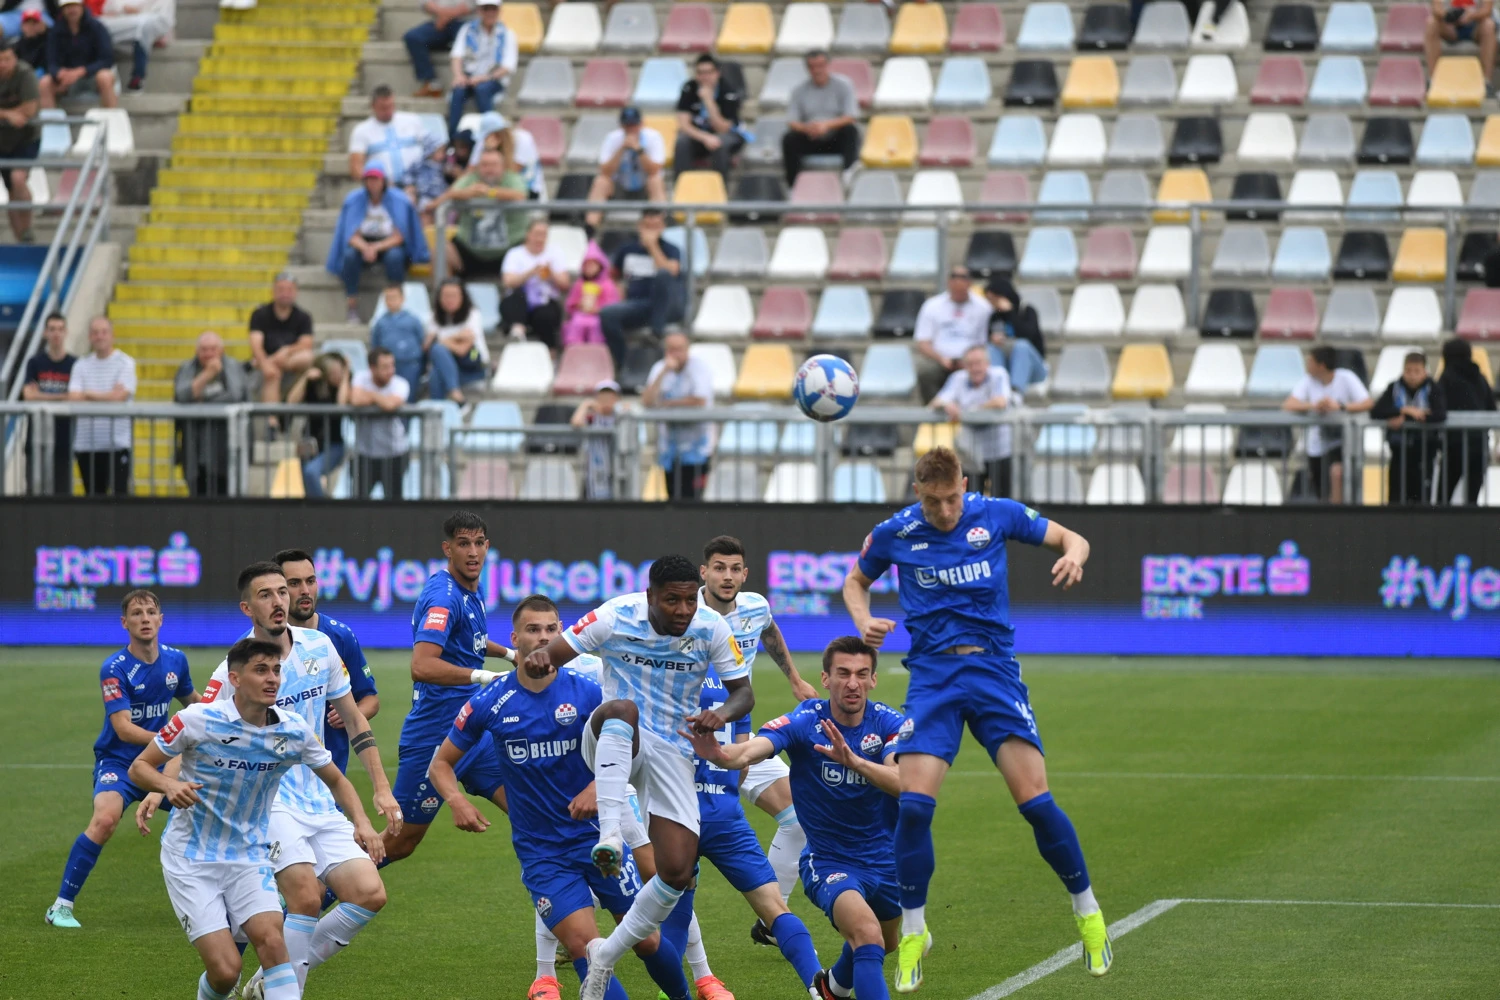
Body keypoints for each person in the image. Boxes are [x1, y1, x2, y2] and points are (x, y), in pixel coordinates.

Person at [842, 446, 1111, 989]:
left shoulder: (998, 513)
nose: (946, 510)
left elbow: (1069, 537)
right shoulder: (895, 532)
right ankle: (914, 931)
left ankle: (1088, 911)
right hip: (933, 679)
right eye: (935, 501)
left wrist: (1076, 554)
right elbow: (854, 582)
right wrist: (864, 618)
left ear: (966, 483)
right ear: (918, 492)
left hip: (993, 674)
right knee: (914, 806)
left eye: (953, 497)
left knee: (1034, 802)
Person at [429, 594, 695, 1000]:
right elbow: (440, 764)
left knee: (647, 941)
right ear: (514, 638)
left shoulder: (588, 694)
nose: (542, 638)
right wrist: (457, 800)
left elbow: (627, 745)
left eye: (551, 629)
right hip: (543, 854)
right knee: (588, 947)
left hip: (596, 840)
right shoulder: (489, 701)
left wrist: (595, 786)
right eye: (533, 630)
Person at [520, 555, 751, 1000]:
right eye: (672, 600)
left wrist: (720, 713)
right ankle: (608, 835)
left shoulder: (711, 627)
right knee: (624, 709)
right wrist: (540, 661)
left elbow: (743, 692)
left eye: (688, 599)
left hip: (675, 751)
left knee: (677, 872)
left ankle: (605, 956)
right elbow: (557, 651)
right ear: (650, 597)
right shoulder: (614, 615)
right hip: (613, 737)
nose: (683, 609)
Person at [128, 636, 383, 1000]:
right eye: (261, 670)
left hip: (249, 856)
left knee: (273, 943)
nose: (272, 679)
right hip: (191, 859)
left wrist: (360, 821)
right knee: (225, 972)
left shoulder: (292, 730)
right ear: (234, 677)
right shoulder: (196, 720)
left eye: (276, 670)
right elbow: (139, 768)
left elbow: (337, 779)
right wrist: (167, 785)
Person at [190, 562, 399, 998]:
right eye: (267, 594)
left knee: (369, 893)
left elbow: (356, 718)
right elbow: (193, 725)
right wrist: (167, 783)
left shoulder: (319, 646)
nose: (280, 600)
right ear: (248, 608)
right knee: (304, 897)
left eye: (282, 592)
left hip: (318, 798)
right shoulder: (234, 667)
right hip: (268, 800)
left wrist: (380, 787)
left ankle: (270, 981)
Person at [682, 636, 905, 1000]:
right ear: (825, 679)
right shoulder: (806, 721)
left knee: (887, 942)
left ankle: (832, 987)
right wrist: (722, 755)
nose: (853, 683)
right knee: (867, 934)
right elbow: (756, 748)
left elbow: (903, 783)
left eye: (862, 674)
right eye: (844, 673)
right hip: (830, 860)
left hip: (884, 861)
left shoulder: (889, 723)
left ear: (873, 680)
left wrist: (856, 762)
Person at [658, 652, 825, 1000]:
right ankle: (818, 987)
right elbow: (742, 760)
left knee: (672, 908)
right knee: (774, 909)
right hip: (723, 812)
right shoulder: (736, 690)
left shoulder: (660, 679)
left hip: (674, 814)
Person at [45, 590, 196, 930]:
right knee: (106, 820)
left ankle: (250, 892)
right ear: (124, 623)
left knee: (213, 809)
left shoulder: (176, 661)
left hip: (162, 762)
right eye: (137, 613)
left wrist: (223, 719)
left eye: (151, 612)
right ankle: (61, 906)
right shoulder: (114, 669)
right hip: (120, 762)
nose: (145, 618)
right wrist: (172, 739)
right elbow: (124, 729)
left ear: (161, 619)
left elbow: (195, 704)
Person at [381, 510, 515, 865]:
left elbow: (470, 640)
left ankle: (565, 899)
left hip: (471, 729)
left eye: (478, 543)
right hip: (434, 734)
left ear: (487, 546)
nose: (472, 552)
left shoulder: (471, 588)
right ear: (447, 549)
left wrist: (509, 654)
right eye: (463, 544)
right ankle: (307, 904)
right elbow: (422, 666)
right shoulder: (445, 597)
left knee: (530, 814)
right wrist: (485, 677)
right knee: (399, 843)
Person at [272, 547, 379, 776]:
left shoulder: (340, 637)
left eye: (311, 581)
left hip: (330, 781)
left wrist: (351, 712)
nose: (305, 591)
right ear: (278, 591)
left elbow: (370, 699)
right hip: (279, 781)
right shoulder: (257, 645)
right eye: (294, 583)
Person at [327, 166, 427, 324]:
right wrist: (366, 247)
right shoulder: (355, 200)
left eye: (376, 179)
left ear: (384, 181)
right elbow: (350, 234)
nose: (372, 183)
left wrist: (376, 247)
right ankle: (352, 304)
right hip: (363, 243)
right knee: (349, 255)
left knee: (395, 257)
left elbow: (400, 235)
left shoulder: (398, 200)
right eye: (369, 179)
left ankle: (396, 301)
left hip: (389, 243)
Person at [1283, 346, 1372, 503]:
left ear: (1321, 365)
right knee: (1321, 491)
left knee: (1337, 473)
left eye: (1310, 361)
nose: (1307, 365)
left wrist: (1340, 407)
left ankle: (1336, 515)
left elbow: (1367, 402)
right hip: (1316, 445)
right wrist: (1314, 406)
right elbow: (1289, 404)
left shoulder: (1346, 378)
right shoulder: (1308, 381)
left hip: (1342, 441)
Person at [600, 209, 685, 367]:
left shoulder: (671, 249)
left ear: (662, 228)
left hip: (667, 306)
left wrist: (652, 246)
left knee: (663, 275)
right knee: (607, 314)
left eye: (656, 226)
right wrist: (619, 291)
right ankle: (623, 363)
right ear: (640, 226)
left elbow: (671, 271)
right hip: (639, 305)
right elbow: (613, 275)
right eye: (648, 226)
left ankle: (656, 332)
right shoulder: (627, 250)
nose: (651, 230)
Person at [931, 345, 1018, 497]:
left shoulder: (999, 375)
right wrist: (947, 405)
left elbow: (1001, 402)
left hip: (999, 450)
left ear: (987, 363)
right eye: (970, 364)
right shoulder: (958, 378)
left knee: (1003, 502)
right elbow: (936, 402)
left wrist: (969, 412)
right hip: (971, 453)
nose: (975, 368)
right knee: (968, 501)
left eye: (979, 363)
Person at [172, 330, 249, 498]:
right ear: (196, 351)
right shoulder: (187, 368)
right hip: (194, 446)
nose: (208, 354)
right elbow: (181, 395)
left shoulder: (233, 367)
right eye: (204, 349)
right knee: (197, 495)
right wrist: (207, 375)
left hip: (226, 447)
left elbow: (235, 396)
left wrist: (200, 400)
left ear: (221, 350)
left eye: (213, 349)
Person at [431, 146, 529, 277]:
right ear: (477, 167)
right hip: (469, 251)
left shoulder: (513, 179)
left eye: (494, 165)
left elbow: (521, 196)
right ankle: (444, 294)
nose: (489, 169)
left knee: (531, 250)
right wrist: (464, 194)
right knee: (440, 250)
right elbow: (436, 203)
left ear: (503, 166)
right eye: (485, 165)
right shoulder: (470, 179)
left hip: (508, 252)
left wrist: (490, 192)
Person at [66, 316, 135, 496]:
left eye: (104, 332)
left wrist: (87, 393)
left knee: (120, 500)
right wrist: (107, 395)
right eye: (95, 332)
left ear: (112, 336)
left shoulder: (126, 363)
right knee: (93, 501)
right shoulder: (81, 364)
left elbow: (119, 397)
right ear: (89, 337)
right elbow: (73, 397)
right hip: (86, 446)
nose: (100, 336)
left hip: (117, 445)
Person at [643, 331, 714, 500]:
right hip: (670, 449)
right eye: (671, 349)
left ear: (687, 349)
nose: (675, 354)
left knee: (694, 499)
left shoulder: (700, 368)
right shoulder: (659, 368)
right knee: (673, 498)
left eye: (679, 349)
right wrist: (664, 373)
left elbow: (699, 400)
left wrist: (666, 405)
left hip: (697, 449)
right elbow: (647, 401)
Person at [1370, 351, 1447, 505]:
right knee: (1396, 497)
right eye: (1408, 371)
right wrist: (1403, 410)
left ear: (1425, 372)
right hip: (1399, 451)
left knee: (1421, 497)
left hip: (1425, 451)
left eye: (1417, 371)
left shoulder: (1433, 388)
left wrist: (1409, 418)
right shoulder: (1394, 387)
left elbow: (1439, 414)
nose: (1412, 376)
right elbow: (1376, 411)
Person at [781, 49, 859, 186]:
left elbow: (851, 116)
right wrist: (807, 128)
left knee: (850, 131)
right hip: (811, 137)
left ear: (828, 65)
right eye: (812, 67)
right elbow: (792, 121)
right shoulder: (798, 90)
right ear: (807, 69)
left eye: (821, 66)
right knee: (789, 139)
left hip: (835, 137)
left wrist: (826, 126)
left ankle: (848, 172)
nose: (817, 71)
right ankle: (792, 185)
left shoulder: (844, 85)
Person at [913, 266, 991, 404]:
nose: (959, 291)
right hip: (940, 359)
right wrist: (942, 359)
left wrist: (970, 360)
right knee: (925, 371)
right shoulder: (932, 306)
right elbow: (923, 343)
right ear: (949, 283)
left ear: (969, 284)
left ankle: (975, 411)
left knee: (984, 368)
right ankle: (934, 412)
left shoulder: (983, 307)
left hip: (971, 359)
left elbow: (984, 342)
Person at [584, 106, 668, 232]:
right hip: (620, 188)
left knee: (655, 180)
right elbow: (605, 171)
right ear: (621, 126)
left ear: (641, 124)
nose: (631, 130)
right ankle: (589, 229)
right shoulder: (612, 139)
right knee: (601, 181)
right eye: (627, 126)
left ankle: (658, 225)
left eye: (634, 125)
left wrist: (639, 150)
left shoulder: (653, 137)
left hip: (644, 189)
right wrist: (621, 150)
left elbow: (654, 170)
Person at [1438, 338, 1497, 504]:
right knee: (1472, 499)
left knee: (1443, 498)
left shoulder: (1446, 377)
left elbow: (1437, 407)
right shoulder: (1481, 378)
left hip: (1454, 446)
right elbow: (1492, 410)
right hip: (1480, 446)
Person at [285, 351, 351, 499]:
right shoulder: (314, 384)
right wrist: (305, 378)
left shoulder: (342, 387)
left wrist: (345, 375)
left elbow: (341, 405)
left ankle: (324, 513)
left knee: (311, 472)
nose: (337, 376)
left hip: (333, 444)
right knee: (308, 486)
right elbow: (291, 401)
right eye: (334, 372)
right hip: (309, 442)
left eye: (339, 372)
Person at [21, 311, 74, 494]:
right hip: (36, 440)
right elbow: (28, 395)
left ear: (66, 332)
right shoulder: (35, 363)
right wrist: (62, 396)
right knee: (34, 494)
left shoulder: (74, 363)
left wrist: (41, 394)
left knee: (62, 496)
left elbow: (75, 396)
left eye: (60, 329)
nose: (56, 334)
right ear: (45, 333)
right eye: (52, 329)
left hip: (64, 441)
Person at [349, 347, 412, 500]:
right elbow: (356, 400)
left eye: (392, 365)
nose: (391, 370)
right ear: (372, 368)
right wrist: (381, 399)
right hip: (365, 454)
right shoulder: (360, 377)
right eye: (385, 367)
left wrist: (370, 395)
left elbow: (391, 404)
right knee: (358, 504)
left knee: (394, 506)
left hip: (394, 454)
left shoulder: (401, 383)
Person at [500, 216, 571, 350]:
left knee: (547, 315)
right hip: (520, 303)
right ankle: (517, 332)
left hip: (545, 302)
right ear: (528, 234)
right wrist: (530, 273)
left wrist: (551, 274)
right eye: (537, 234)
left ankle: (550, 353)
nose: (540, 238)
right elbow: (507, 282)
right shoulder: (514, 254)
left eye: (544, 234)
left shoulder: (555, 252)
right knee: (515, 299)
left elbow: (565, 284)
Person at [446, 0, 516, 136]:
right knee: (458, 91)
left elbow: (508, 66)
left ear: (499, 10)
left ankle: (491, 135)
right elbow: (456, 56)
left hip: (493, 80)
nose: (490, 12)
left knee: (482, 89)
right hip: (470, 77)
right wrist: (459, 76)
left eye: (493, 9)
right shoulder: (467, 29)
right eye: (486, 8)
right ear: (479, 10)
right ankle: (453, 138)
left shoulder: (507, 33)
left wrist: (484, 78)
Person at [674, 53, 744, 182]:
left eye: (708, 72)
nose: (704, 77)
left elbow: (723, 128)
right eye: (700, 73)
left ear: (717, 73)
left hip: (728, 135)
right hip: (700, 135)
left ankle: (720, 189)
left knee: (720, 143)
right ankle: (680, 187)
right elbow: (684, 124)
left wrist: (709, 101)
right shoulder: (689, 88)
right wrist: (705, 137)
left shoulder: (729, 91)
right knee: (682, 142)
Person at [248, 273, 315, 406]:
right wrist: (265, 364)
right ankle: (272, 421)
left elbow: (306, 344)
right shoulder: (260, 314)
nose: (285, 293)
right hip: (267, 365)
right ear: (273, 291)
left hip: (289, 360)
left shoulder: (303, 317)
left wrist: (286, 351)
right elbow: (256, 345)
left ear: (296, 292)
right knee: (272, 373)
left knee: (306, 357)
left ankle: (273, 419)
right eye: (281, 289)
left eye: (289, 290)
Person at [349, 85, 431, 193]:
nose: (388, 111)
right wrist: (378, 184)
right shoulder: (361, 130)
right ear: (373, 106)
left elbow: (432, 150)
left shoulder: (413, 121)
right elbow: (356, 168)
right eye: (383, 108)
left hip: (418, 185)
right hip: (383, 190)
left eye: (391, 106)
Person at [41, 0, 117, 110]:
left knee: (105, 77)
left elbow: (107, 59)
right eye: (67, 7)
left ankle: (111, 117)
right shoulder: (55, 32)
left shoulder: (97, 27)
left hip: (92, 76)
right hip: (66, 80)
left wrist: (81, 71)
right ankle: (51, 124)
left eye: (74, 6)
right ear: (62, 10)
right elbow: (51, 61)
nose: (71, 10)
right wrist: (59, 73)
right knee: (45, 83)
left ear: (82, 7)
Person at [0, 38, 40, 243]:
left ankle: (26, 228)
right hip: (2, 140)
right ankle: (21, 240)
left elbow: (30, 110)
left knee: (18, 179)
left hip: (25, 137)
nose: (3, 64)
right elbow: (19, 112)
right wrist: (8, 115)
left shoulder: (25, 74)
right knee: (9, 190)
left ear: (14, 58)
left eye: (7, 59)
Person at [426, 277, 489, 402]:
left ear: (463, 297)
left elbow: (463, 349)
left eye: (454, 295)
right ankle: (449, 404)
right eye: (446, 296)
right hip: (450, 364)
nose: (450, 300)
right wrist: (457, 337)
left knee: (439, 349)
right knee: (435, 373)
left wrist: (441, 340)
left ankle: (455, 394)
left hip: (474, 359)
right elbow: (426, 347)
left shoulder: (472, 315)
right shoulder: (434, 317)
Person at [983, 277, 1048, 395]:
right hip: (1007, 366)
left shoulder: (1027, 311)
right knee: (992, 349)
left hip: (1033, 368)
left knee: (1021, 346)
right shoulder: (994, 317)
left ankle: (1016, 392)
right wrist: (993, 339)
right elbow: (989, 337)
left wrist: (1010, 312)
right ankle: (998, 391)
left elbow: (1028, 334)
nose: (992, 304)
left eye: (994, 299)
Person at [98, 0, 172, 92]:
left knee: (143, 28)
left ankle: (137, 78)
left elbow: (164, 17)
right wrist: (123, 8)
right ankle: (105, 76)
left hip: (146, 23)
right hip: (120, 21)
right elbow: (109, 7)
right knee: (98, 26)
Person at [404, 0, 472, 98]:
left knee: (471, 39)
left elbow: (474, 5)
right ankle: (432, 83)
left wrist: (446, 16)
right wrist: (442, 14)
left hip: (465, 22)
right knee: (413, 37)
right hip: (439, 23)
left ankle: (468, 82)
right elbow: (425, 3)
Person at [370, 283, 429, 391]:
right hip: (387, 366)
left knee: (410, 393)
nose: (391, 301)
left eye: (394, 297)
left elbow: (422, 341)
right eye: (388, 298)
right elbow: (375, 344)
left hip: (410, 363)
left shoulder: (413, 319)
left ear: (402, 299)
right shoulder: (380, 322)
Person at [571, 377, 621, 500]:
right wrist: (586, 404)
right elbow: (576, 422)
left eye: (610, 397)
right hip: (595, 473)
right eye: (602, 397)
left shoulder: (621, 418)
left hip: (617, 469)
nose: (606, 401)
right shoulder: (592, 419)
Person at [1425, 0, 1495, 87]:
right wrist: (1452, 16)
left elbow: (1487, 10)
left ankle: (1486, 81)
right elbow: (1436, 9)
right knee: (1431, 23)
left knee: (1488, 25)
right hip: (1450, 26)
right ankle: (1433, 80)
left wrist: (1471, 16)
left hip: (1475, 26)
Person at [563, 242, 619, 348]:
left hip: (598, 317)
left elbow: (612, 305)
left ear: (600, 266)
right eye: (587, 265)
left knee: (596, 325)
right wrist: (578, 305)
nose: (589, 268)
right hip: (580, 315)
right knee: (576, 323)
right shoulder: (579, 284)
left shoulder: (607, 285)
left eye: (593, 265)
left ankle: (595, 352)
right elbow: (570, 303)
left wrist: (597, 309)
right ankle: (574, 351)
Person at [15, 10, 49, 77]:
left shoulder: (47, 40)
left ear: (41, 25)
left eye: (34, 23)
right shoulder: (18, 44)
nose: (30, 26)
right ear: (22, 26)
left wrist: (45, 32)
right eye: (27, 23)